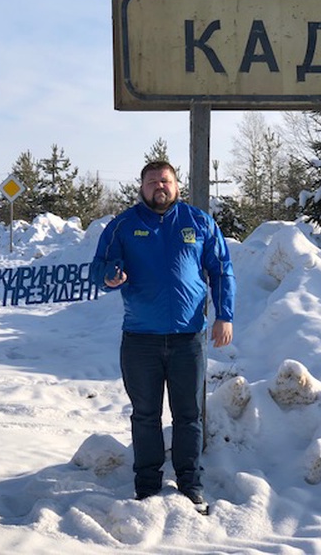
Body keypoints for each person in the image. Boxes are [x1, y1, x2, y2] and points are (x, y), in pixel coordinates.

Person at [91, 160, 235, 512]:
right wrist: (109, 276)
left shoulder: (198, 221)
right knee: (145, 415)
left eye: (165, 180)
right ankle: (147, 485)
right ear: (141, 188)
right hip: (141, 339)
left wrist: (224, 316)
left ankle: (190, 483)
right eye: (152, 181)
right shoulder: (123, 225)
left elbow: (221, 269)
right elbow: (98, 268)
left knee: (188, 415)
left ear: (176, 186)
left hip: (189, 338)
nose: (159, 186)